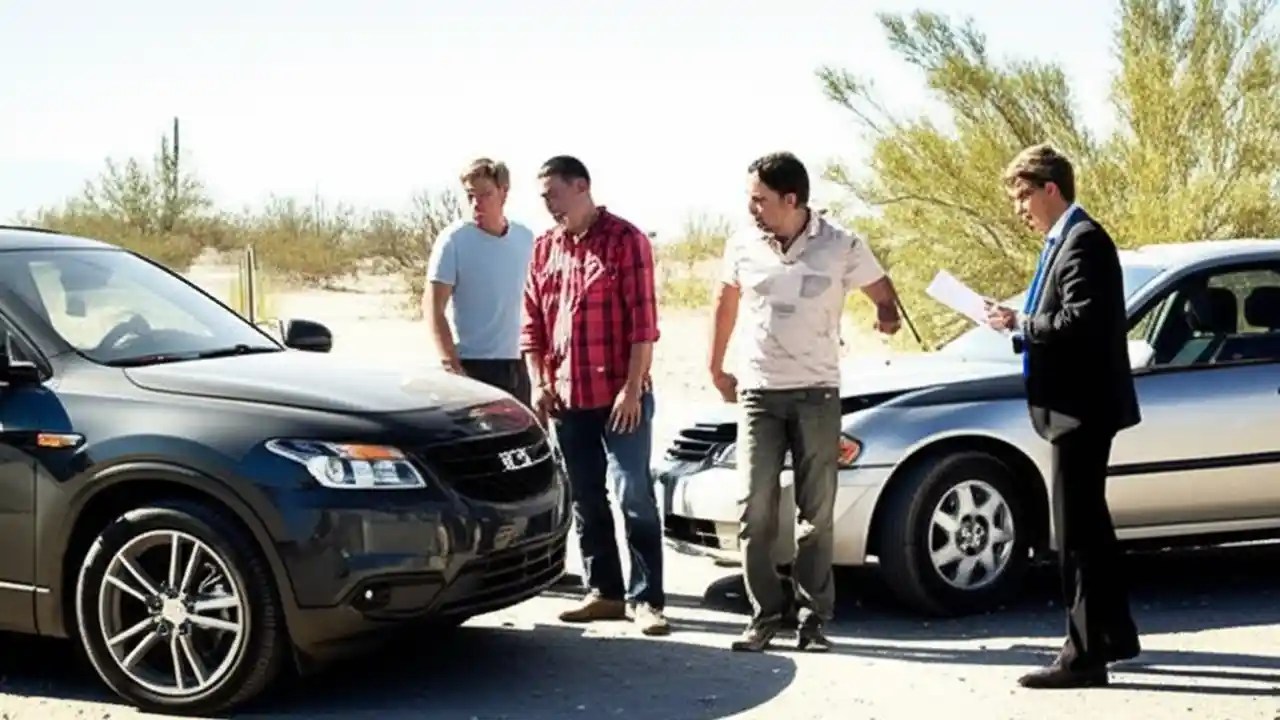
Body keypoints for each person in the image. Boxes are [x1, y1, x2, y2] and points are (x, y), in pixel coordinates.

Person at [708, 151, 902, 653]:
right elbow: (725, 304)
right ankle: (765, 615)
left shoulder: (841, 244)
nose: (751, 207)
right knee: (754, 508)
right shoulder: (742, 244)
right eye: (750, 198)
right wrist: (715, 367)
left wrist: (886, 313)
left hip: (817, 392)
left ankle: (814, 619)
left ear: (790, 199)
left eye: (760, 199)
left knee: (816, 514)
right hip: (759, 392)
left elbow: (883, 290)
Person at [985, 143, 1142, 689]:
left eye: (1023, 196)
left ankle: (1083, 659)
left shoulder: (1085, 241)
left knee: (1076, 536)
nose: (1019, 209)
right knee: (1091, 528)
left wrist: (1022, 323)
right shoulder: (1066, 240)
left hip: (1082, 409)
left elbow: (1083, 321)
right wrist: (1018, 322)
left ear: (1051, 189)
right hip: (1073, 407)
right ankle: (1115, 636)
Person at [519, 155, 669, 636]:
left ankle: (646, 599)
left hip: (621, 395)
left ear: (581, 186)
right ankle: (604, 591)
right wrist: (540, 382)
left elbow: (644, 325)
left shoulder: (626, 240)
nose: (550, 205)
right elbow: (532, 325)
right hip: (568, 396)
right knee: (585, 495)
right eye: (544, 198)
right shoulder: (544, 248)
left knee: (633, 493)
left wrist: (632, 389)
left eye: (555, 194)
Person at [424, 157, 536, 405]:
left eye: (485, 194)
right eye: (470, 196)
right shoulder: (454, 240)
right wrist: (451, 365)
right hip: (472, 364)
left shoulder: (525, 238)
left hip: (518, 363)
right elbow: (433, 308)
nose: (476, 203)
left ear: (503, 192)